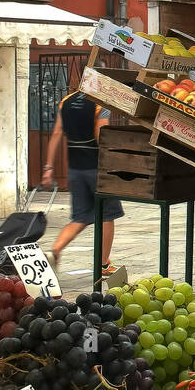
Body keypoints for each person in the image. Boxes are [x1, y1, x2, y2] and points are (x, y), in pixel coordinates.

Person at [41, 92, 123, 273]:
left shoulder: (66, 101)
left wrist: (49, 167)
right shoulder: (100, 103)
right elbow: (101, 136)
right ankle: (103, 264)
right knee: (108, 215)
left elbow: (57, 133)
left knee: (79, 218)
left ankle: (55, 250)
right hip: (97, 170)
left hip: (75, 170)